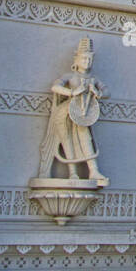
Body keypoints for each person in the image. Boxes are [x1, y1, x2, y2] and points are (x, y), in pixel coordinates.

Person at [37, 39, 108, 184]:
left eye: (89, 59)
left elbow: (107, 91)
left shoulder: (92, 79)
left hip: (83, 114)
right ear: (76, 59)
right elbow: (55, 87)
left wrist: (98, 93)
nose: (87, 61)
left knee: (85, 138)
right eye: (84, 58)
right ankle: (73, 172)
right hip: (66, 113)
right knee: (67, 140)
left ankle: (93, 170)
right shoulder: (70, 76)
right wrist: (72, 92)